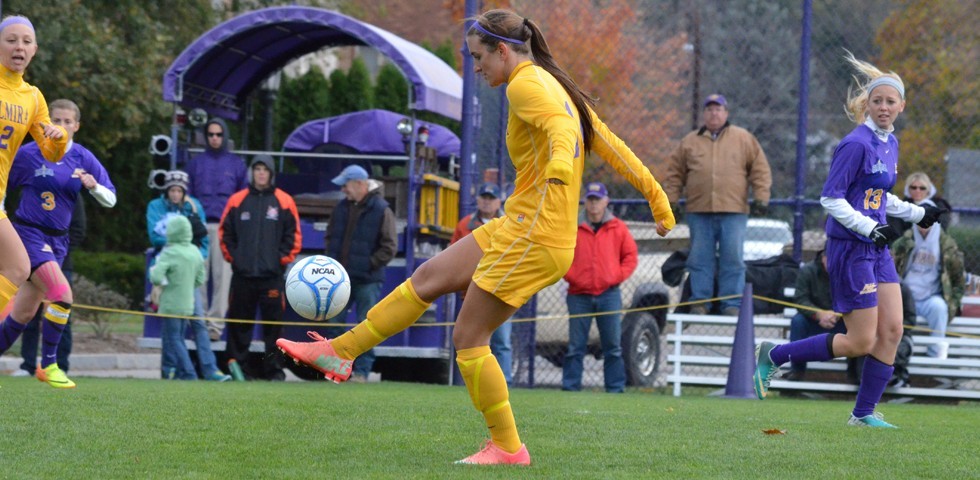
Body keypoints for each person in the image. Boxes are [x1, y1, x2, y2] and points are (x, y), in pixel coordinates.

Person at [276, 9, 674, 465]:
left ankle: (506, 447)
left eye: (478, 56)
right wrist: (657, 198)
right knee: (428, 277)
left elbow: (566, 133)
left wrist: (562, 167)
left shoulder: (526, 83)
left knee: (469, 335)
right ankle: (339, 352)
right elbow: (605, 138)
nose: (477, 66)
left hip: (535, 236)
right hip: (520, 225)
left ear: (502, 50)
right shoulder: (548, 82)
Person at [753, 53, 945, 428]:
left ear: (901, 105)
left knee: (892, 331)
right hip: (852, 249)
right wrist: (868, 228)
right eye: (878, 101)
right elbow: (831, 198)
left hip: (876, 247)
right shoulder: (855, 144)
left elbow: (876, 196)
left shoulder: (890, 143)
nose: (884, 107)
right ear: (867, 105)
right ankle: (774, 354)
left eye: (891, 101)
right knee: (860, 341)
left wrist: (918, 212)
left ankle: (863, 414)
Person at [0, 98, 112, 388]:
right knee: (62, 294)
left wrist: (94, 186)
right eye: (56, 120)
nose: (60, 126)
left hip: (57, 243)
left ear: (76, 126)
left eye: (67, 121)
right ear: (46, 124)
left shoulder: (84, 158)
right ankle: (49, 365)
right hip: (28, 234)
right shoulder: (28, 154)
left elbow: (111, 198)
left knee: (23, 313)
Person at [663, 93, 772, 316]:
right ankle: (700, 302)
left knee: (732, 259)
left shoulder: (743, 139)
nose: (714, 113)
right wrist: (670, 202)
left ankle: (731, 304)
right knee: (699, 259)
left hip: (734, 211)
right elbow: (674, 174)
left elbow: (760, 170)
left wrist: (761, 197)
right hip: (698, 210)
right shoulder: (690, 142)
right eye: (709, 109)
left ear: (726, 113)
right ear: (704, 114)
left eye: (718, 109)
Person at [0, 16, 69, 363]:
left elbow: (50, 151)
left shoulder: (32, 97)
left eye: (26, 42)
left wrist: (60, 137)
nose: (19, 47)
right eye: (11, 40)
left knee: (17, 268)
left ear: (35, 50)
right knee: (16, 266)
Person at [220, 155, 301, 381]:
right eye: (257, 169)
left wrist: (278, 261)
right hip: (243, 277)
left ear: (271, 173)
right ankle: (238, 371)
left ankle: (274, 371)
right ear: (252, 173)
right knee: (239, 327)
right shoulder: (237, 200)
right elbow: (225, 234)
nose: (261, 173)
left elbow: (293, 237)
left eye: (265, 169)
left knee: (273, 329)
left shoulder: (284, 201)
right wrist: (236, 259)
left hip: (271, 278)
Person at [146, 170, 231, 381]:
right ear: (166, 191)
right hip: (166, 270)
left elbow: (202, 240)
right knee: (170, 327)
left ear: (185, 192)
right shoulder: (155, 207)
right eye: (172, 190)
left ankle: (210, 369)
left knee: (198, 321)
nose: (175, 195)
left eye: (179, 191)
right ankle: (169, 371)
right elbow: (154, 237)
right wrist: (179, 249)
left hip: (189, 271)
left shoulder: (194, 206)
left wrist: (194, 259)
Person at [12, 154, 87, 377]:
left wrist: (56, 257)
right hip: (33, 258)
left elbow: (78, 230)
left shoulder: (72, 193)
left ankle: (59, 365)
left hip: (61, 261)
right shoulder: (32, 188)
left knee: (62, 309)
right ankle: (27, 365)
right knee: (29, 314)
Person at [561, 181, 636, 393]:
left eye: (597, 200)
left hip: (609, 294)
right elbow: (560, 255)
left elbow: (630, 256)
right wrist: (572, 276)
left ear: (606, 201)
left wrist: (616, 276)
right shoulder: (572, 226)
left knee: (612, 346)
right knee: (575, 346)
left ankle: (615, 389)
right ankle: (570, 387)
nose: (593, 205)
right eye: (590, 200)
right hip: (578, 294)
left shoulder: (618, 228)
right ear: (586, 201)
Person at [325, 164, 398, 382]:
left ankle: (361, 372)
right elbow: (330, 238)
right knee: (334, 322)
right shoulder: (341, 208)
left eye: (345, 185)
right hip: (342, 279)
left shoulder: (382, 209)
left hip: (368, 279)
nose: (343, 190)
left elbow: (389, 247)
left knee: (366, 326)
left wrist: (368, 264)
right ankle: (335, 368)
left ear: (359, 184)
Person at [185, 117, 248, 338]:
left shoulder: (236, 164)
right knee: (198, 276)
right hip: (200, 226)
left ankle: (215, 327)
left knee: (224, 279)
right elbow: (187, 196)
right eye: (210, 134)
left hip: (225, 228)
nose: (214, 138)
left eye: (219, 134)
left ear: (225, 136)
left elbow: (243, 197)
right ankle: (199, 324)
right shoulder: (195, 163)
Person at [450, 182, 513, 384]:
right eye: (483, 197)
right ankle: (466, 384)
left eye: (491, 198)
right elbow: (453, 254)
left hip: (501, 292)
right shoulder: (465, 224)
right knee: (467, 341)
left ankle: (505, 383)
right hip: (470, 292)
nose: (487, 202)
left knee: (501, 342)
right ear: (477, 200)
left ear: (498, 202)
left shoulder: (512, 223)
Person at [891, 200, 965, 358]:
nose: (924, 224)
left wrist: (953, 303)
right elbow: (889, 269)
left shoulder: (947, 245)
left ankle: (935, 354)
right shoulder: (904, 242)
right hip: (905, 299)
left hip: (929, 298)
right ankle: (895, 354)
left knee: (939, 308)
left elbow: (959, 280)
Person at [149, 215, 206, 380]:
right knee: (179, 337)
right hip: (188, 303)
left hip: (171, 304)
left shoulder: (170, 252)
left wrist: (157, 275)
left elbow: (156, 277)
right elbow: (201, 279)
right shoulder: (194, 251)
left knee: (174, 339)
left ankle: (188, 372)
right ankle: (177, 373)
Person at [782, 249, 847, 382]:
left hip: (841, 320)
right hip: (813, 320)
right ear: (823, 258)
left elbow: (853, 297)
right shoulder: (807, 271)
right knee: (798, 322)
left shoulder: (848, 272)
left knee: (860, 326)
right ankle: (797, 370)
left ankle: (856, 374)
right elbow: (800, 299)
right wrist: (818, 314)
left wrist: (838, 313)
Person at [886, 172, 953, 235]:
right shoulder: (901, 206)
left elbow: (942, 228)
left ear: (928, 189)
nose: (917, 191)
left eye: (922, 188)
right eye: (913, 187)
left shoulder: (938, 205)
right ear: (908, 189)